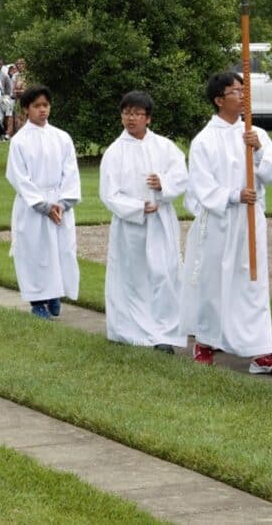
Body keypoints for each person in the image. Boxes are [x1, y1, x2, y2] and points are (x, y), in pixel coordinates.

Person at [179, 71, 272, 374]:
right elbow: (202, 186)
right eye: (235, 91)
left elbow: (271, 174)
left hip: (251, 220)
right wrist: (232, 195)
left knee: (252, 283)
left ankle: (260, 352)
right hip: (219, 222)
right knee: (214, 281)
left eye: (244, 90)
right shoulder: (204, 140)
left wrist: (257, 152)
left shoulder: (256, 134)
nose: (242, 96)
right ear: (219, 100)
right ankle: (205, 342)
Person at [99, 91, 188, 353]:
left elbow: (181, 174)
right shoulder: (115, 152)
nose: (131, 118)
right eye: (127, 113)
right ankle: (133, 329)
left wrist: (164, 184)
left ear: (148, 118)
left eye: (137, 113)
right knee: (133, 276)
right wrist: (137, 208)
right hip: (131, 227)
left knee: (163, 273)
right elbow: (109, 193)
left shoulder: (164, 146)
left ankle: (165, 332)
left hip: (161, 221)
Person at [5, 86, 81, 319]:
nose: (42, 110)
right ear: (26, 109)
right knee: (35, 252)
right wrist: (43, 206)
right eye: (37, 106)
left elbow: (71, 171)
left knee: (60, 250)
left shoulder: (62, 137)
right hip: (33, 207)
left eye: (45, 105)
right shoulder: (19, 141)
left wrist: (63, 202)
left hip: (59, 202)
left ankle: (54, 293)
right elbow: (19, 177)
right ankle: (37, 299)